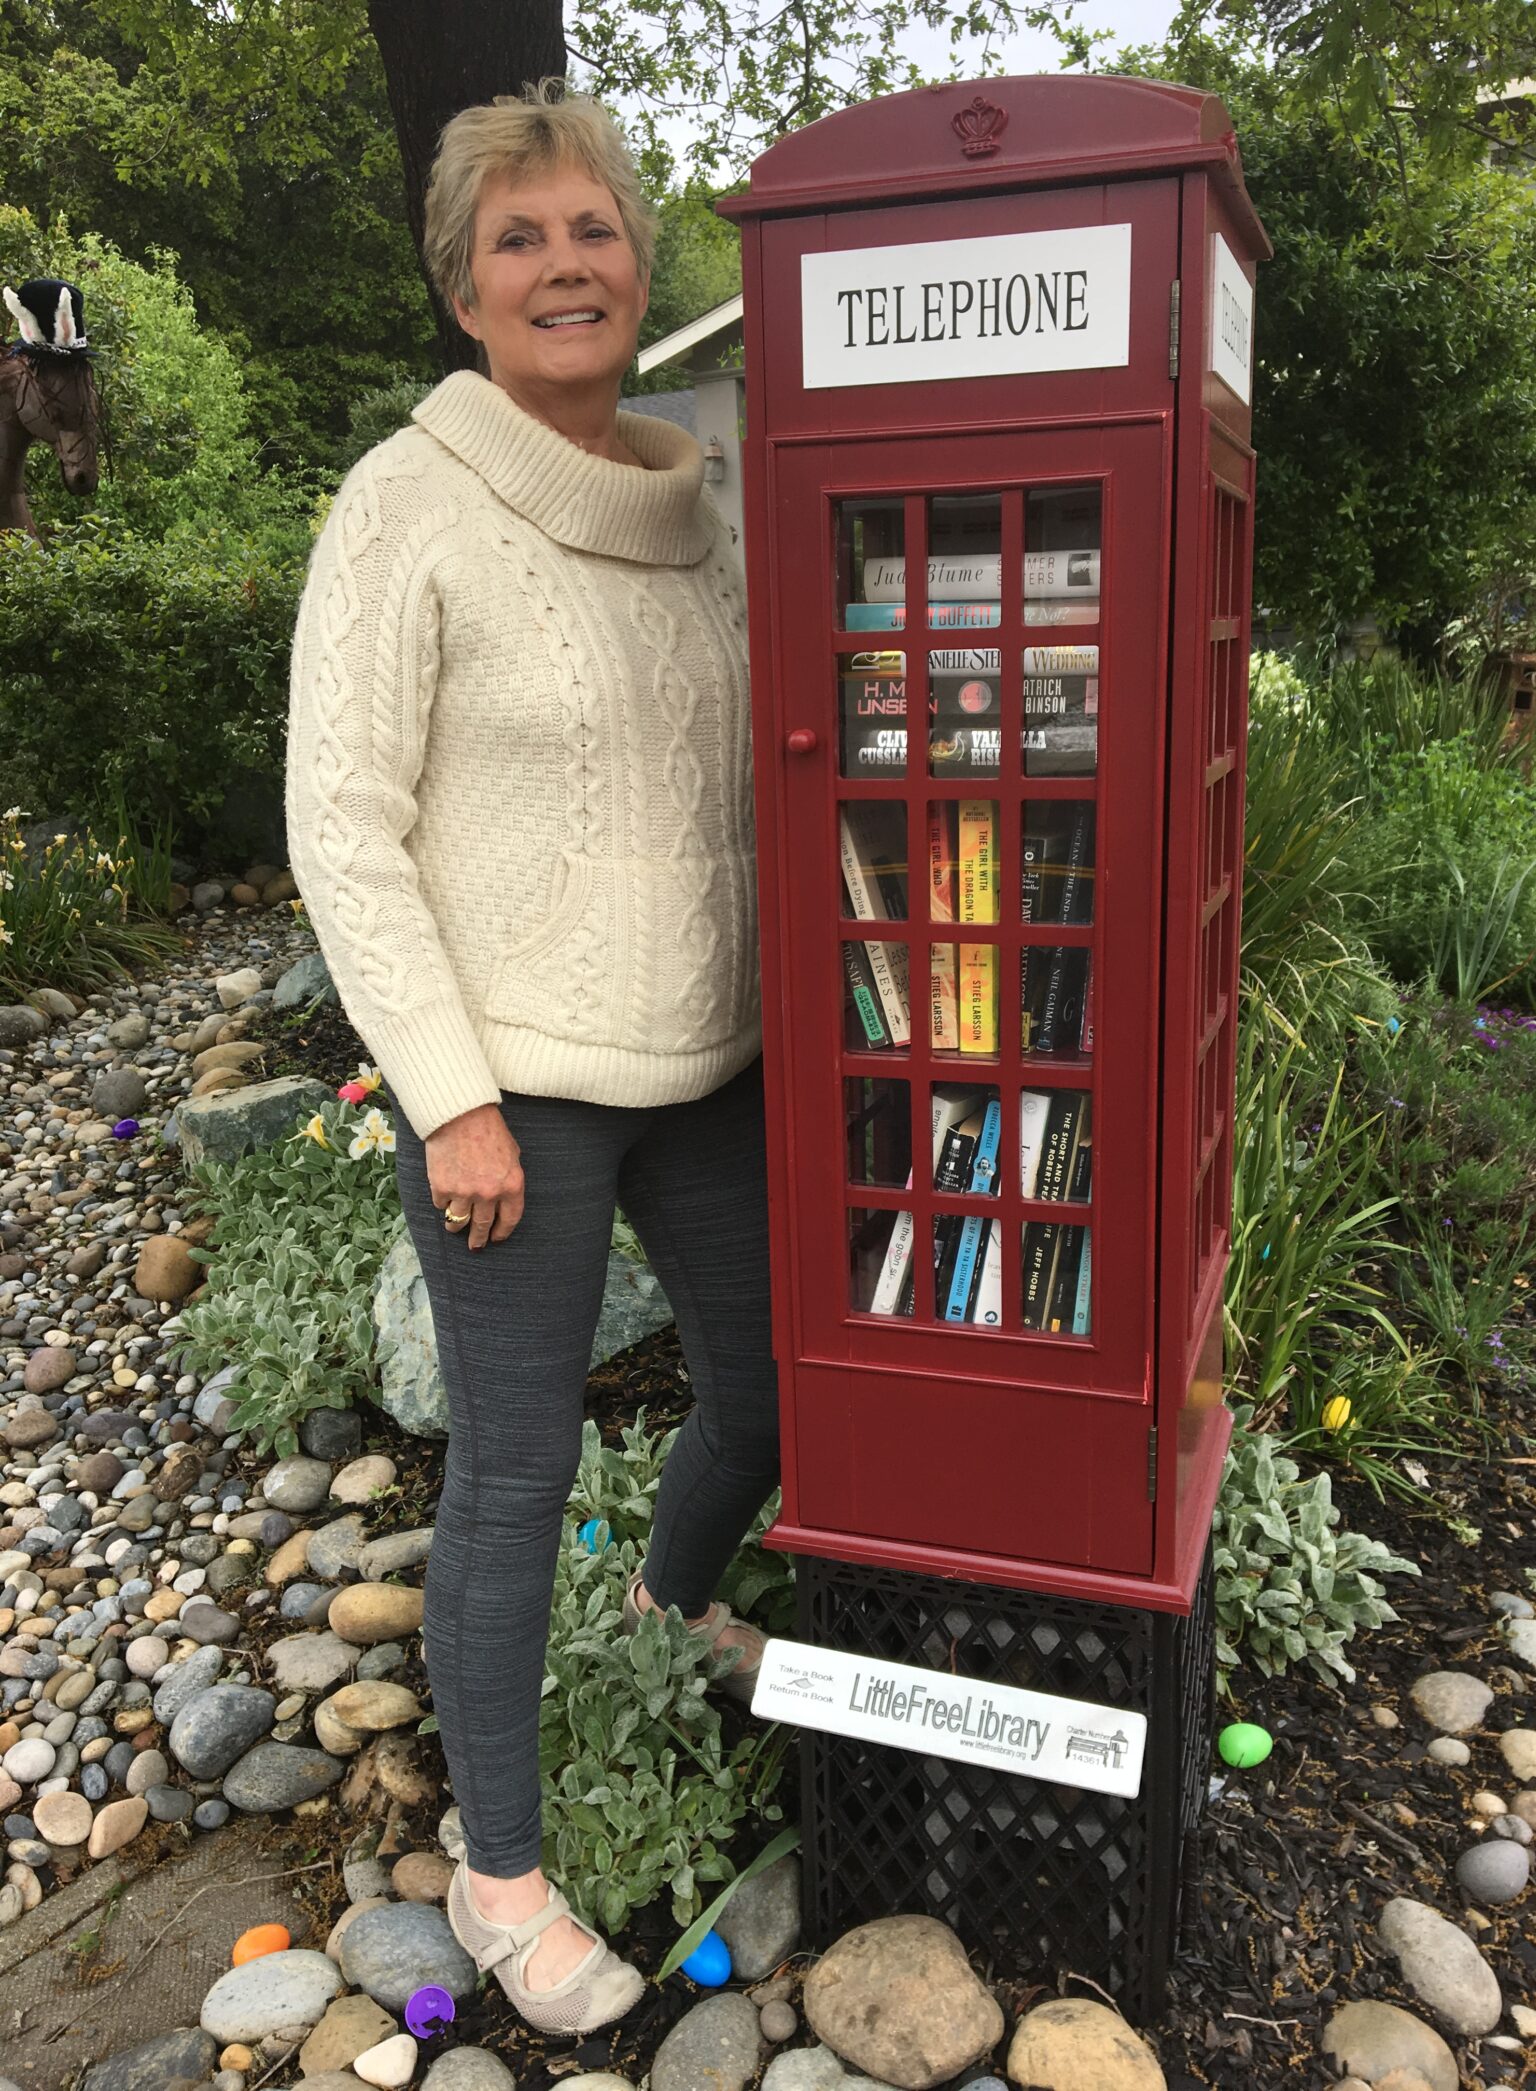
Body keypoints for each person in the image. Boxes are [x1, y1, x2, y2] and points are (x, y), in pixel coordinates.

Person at [284, 80, 779, 2037]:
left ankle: (664, 1604)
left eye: (591, 232)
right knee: (510, 1465)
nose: (563, 264)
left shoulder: (695, 507)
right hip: (515, 1078)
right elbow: (343, 815)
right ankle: (499, 1877)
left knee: (766, 1394)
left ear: (639, 266)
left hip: (714, 1052)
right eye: (520, 239)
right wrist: (447, 1084)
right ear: (467, 290)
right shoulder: (407, 502)